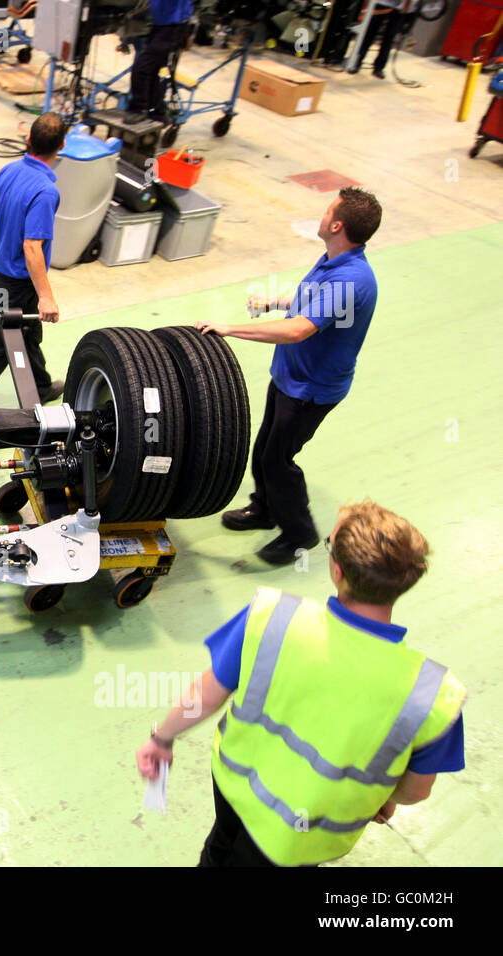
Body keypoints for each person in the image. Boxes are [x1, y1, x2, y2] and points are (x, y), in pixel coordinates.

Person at [136, 501, 466, 867]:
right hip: (306, 836)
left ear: (337, 571)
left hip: (235, 788)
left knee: (220, 851)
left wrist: (161, 739)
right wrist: (379, 796)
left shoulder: (273, 617)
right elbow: (417, 790)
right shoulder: (434, 694)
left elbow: (207, 693)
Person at [195, 187, 382, 565]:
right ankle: (264, 510)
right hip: (289, 377)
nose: (321, 214)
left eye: (327, 210)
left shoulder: (351, 280)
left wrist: (228, 328)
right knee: (265, 450)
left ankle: (300, 534)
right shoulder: (335, 260)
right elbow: (312, 298)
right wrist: (276, 302)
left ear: (337, 224)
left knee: (278, 460)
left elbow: (299, 330)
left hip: (310, 391)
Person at [0, 112, 67, 407]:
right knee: (3, 341)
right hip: (17, 282)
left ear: (28, 140)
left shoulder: (9, 170)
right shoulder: (45, 191)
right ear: (62, 145)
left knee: (27, 331)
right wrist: (47, 297)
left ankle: (40, 387)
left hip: (1, 273)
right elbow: (32, 247)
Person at [127, 0, 194, 124]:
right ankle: (157, 111)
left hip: (173, 25)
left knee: (141, 69)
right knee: (152, 70)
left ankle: (139, 109)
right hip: (162, 24)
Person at [352, 1, 417, 79]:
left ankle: (379, 67)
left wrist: (406, 9)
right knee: (370, 33)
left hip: (399, 8)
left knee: (389, 36)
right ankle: (357, 61)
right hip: (382, 3)